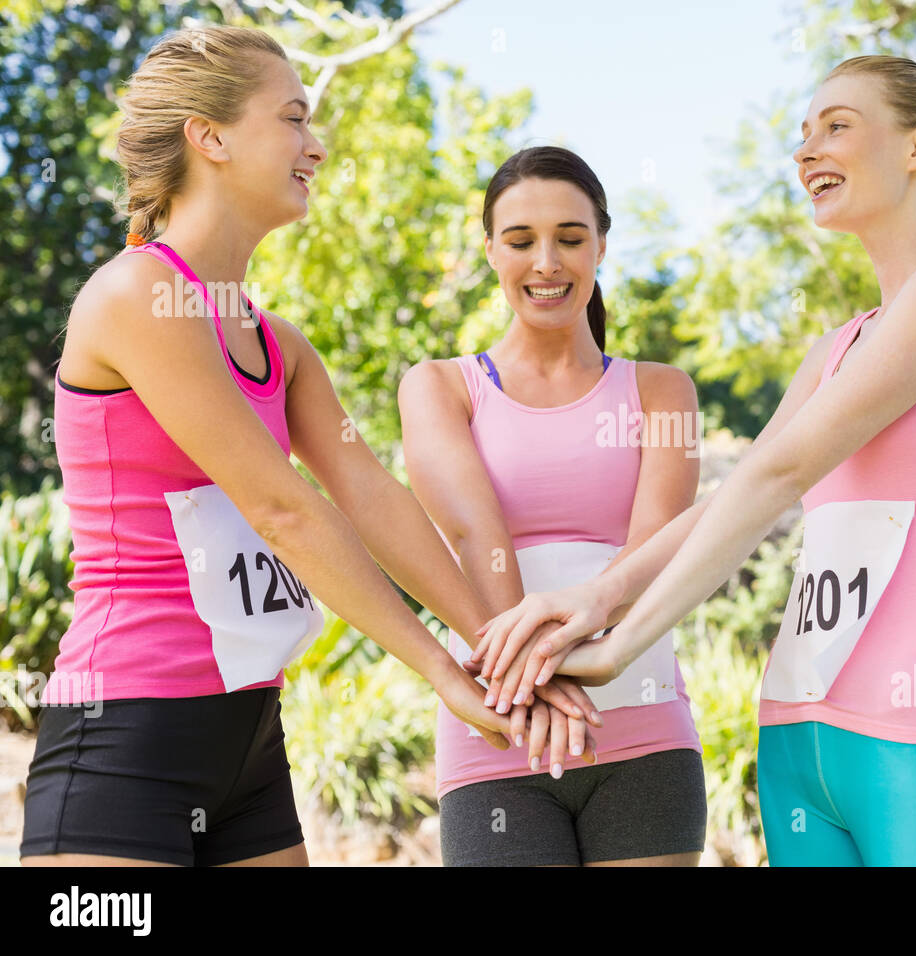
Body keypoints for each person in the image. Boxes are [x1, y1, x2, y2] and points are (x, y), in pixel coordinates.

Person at [20, 25, 594, 868]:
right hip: (125, 736)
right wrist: (441, 671)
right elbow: (285, 509)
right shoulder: (136, 293)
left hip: (248, 738)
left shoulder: (277, 344)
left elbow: (370, 495)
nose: (315, 147)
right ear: (209, 137)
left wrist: (504, 655)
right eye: (293, 119)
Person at [472, 55, 916, 866]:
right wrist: (597, 599)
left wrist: (616, 647)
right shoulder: (838, 344)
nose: (806, 151)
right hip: (798, 726)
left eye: (836, 126)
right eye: (803, 133)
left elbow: (780, 475)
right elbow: (738, 493)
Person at [400, 146, 707, 867]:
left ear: (601, 243)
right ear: (489, 251)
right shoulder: (440, 387)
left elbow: (654, 551)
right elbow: (477, 535)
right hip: (497, 733)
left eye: (571, 239)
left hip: (642, 730)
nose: (547, 261)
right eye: (521, 241)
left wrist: (542, 671)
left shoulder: (664, 391)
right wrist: (531, 690)